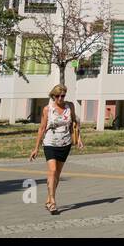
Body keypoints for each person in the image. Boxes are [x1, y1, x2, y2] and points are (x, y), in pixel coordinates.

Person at [30, 85, 83, 214]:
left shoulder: (70, 106)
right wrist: (36, 148)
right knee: (52, 171)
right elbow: (42, 128)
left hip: (65, 143)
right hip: (50, 143)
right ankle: (53, 201)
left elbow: (74, 123)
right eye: (57, 96)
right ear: (53, 96)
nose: (60, 98)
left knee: (57, 174)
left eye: (63, 96)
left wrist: (79, 138)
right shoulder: (47, 109)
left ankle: (48, 198)